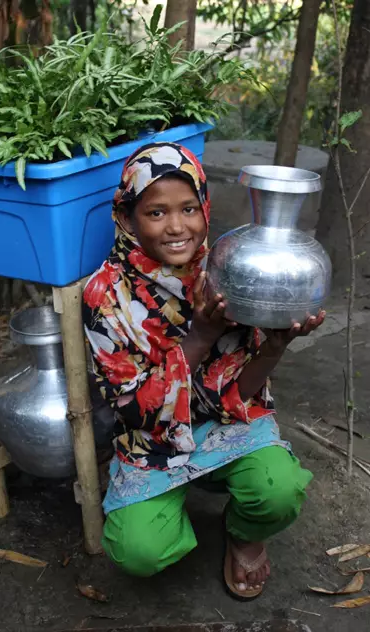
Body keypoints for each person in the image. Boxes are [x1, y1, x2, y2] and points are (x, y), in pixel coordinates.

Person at [82, 142, 325, 600]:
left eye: (189, 208)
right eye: (156, 213)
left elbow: (244, 393)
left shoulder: (230, 269)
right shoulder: (106, 295)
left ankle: (243, 532)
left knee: (279, 490)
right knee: (138, 549)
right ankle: (174, 511)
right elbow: (135, 414)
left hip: (228, 425)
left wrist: (274, 349)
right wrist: (199, 336)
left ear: (205, 207)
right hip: (154, 439)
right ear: (127, 217)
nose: (177, 227)